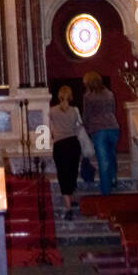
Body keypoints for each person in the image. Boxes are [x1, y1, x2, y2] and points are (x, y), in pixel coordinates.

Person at [82, 70, 120, 196]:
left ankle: (106, 193)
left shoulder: (88, 96)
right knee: (112, 155)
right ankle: (113, 178)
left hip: (99, 130)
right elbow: (113, 110)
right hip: (114, 127)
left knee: (103, 161)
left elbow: (87, 115)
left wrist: (86, 129)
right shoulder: (109, 93)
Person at [49, 85, 82, 220]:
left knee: (62, 174)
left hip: (60, 145)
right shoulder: (75, 110)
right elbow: (80, 125)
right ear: (71, 96)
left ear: (59, 96)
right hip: (73, 144)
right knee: (72, 172)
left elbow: (49, 129)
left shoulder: (51, 111)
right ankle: (71, 197)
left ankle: (68, 207)